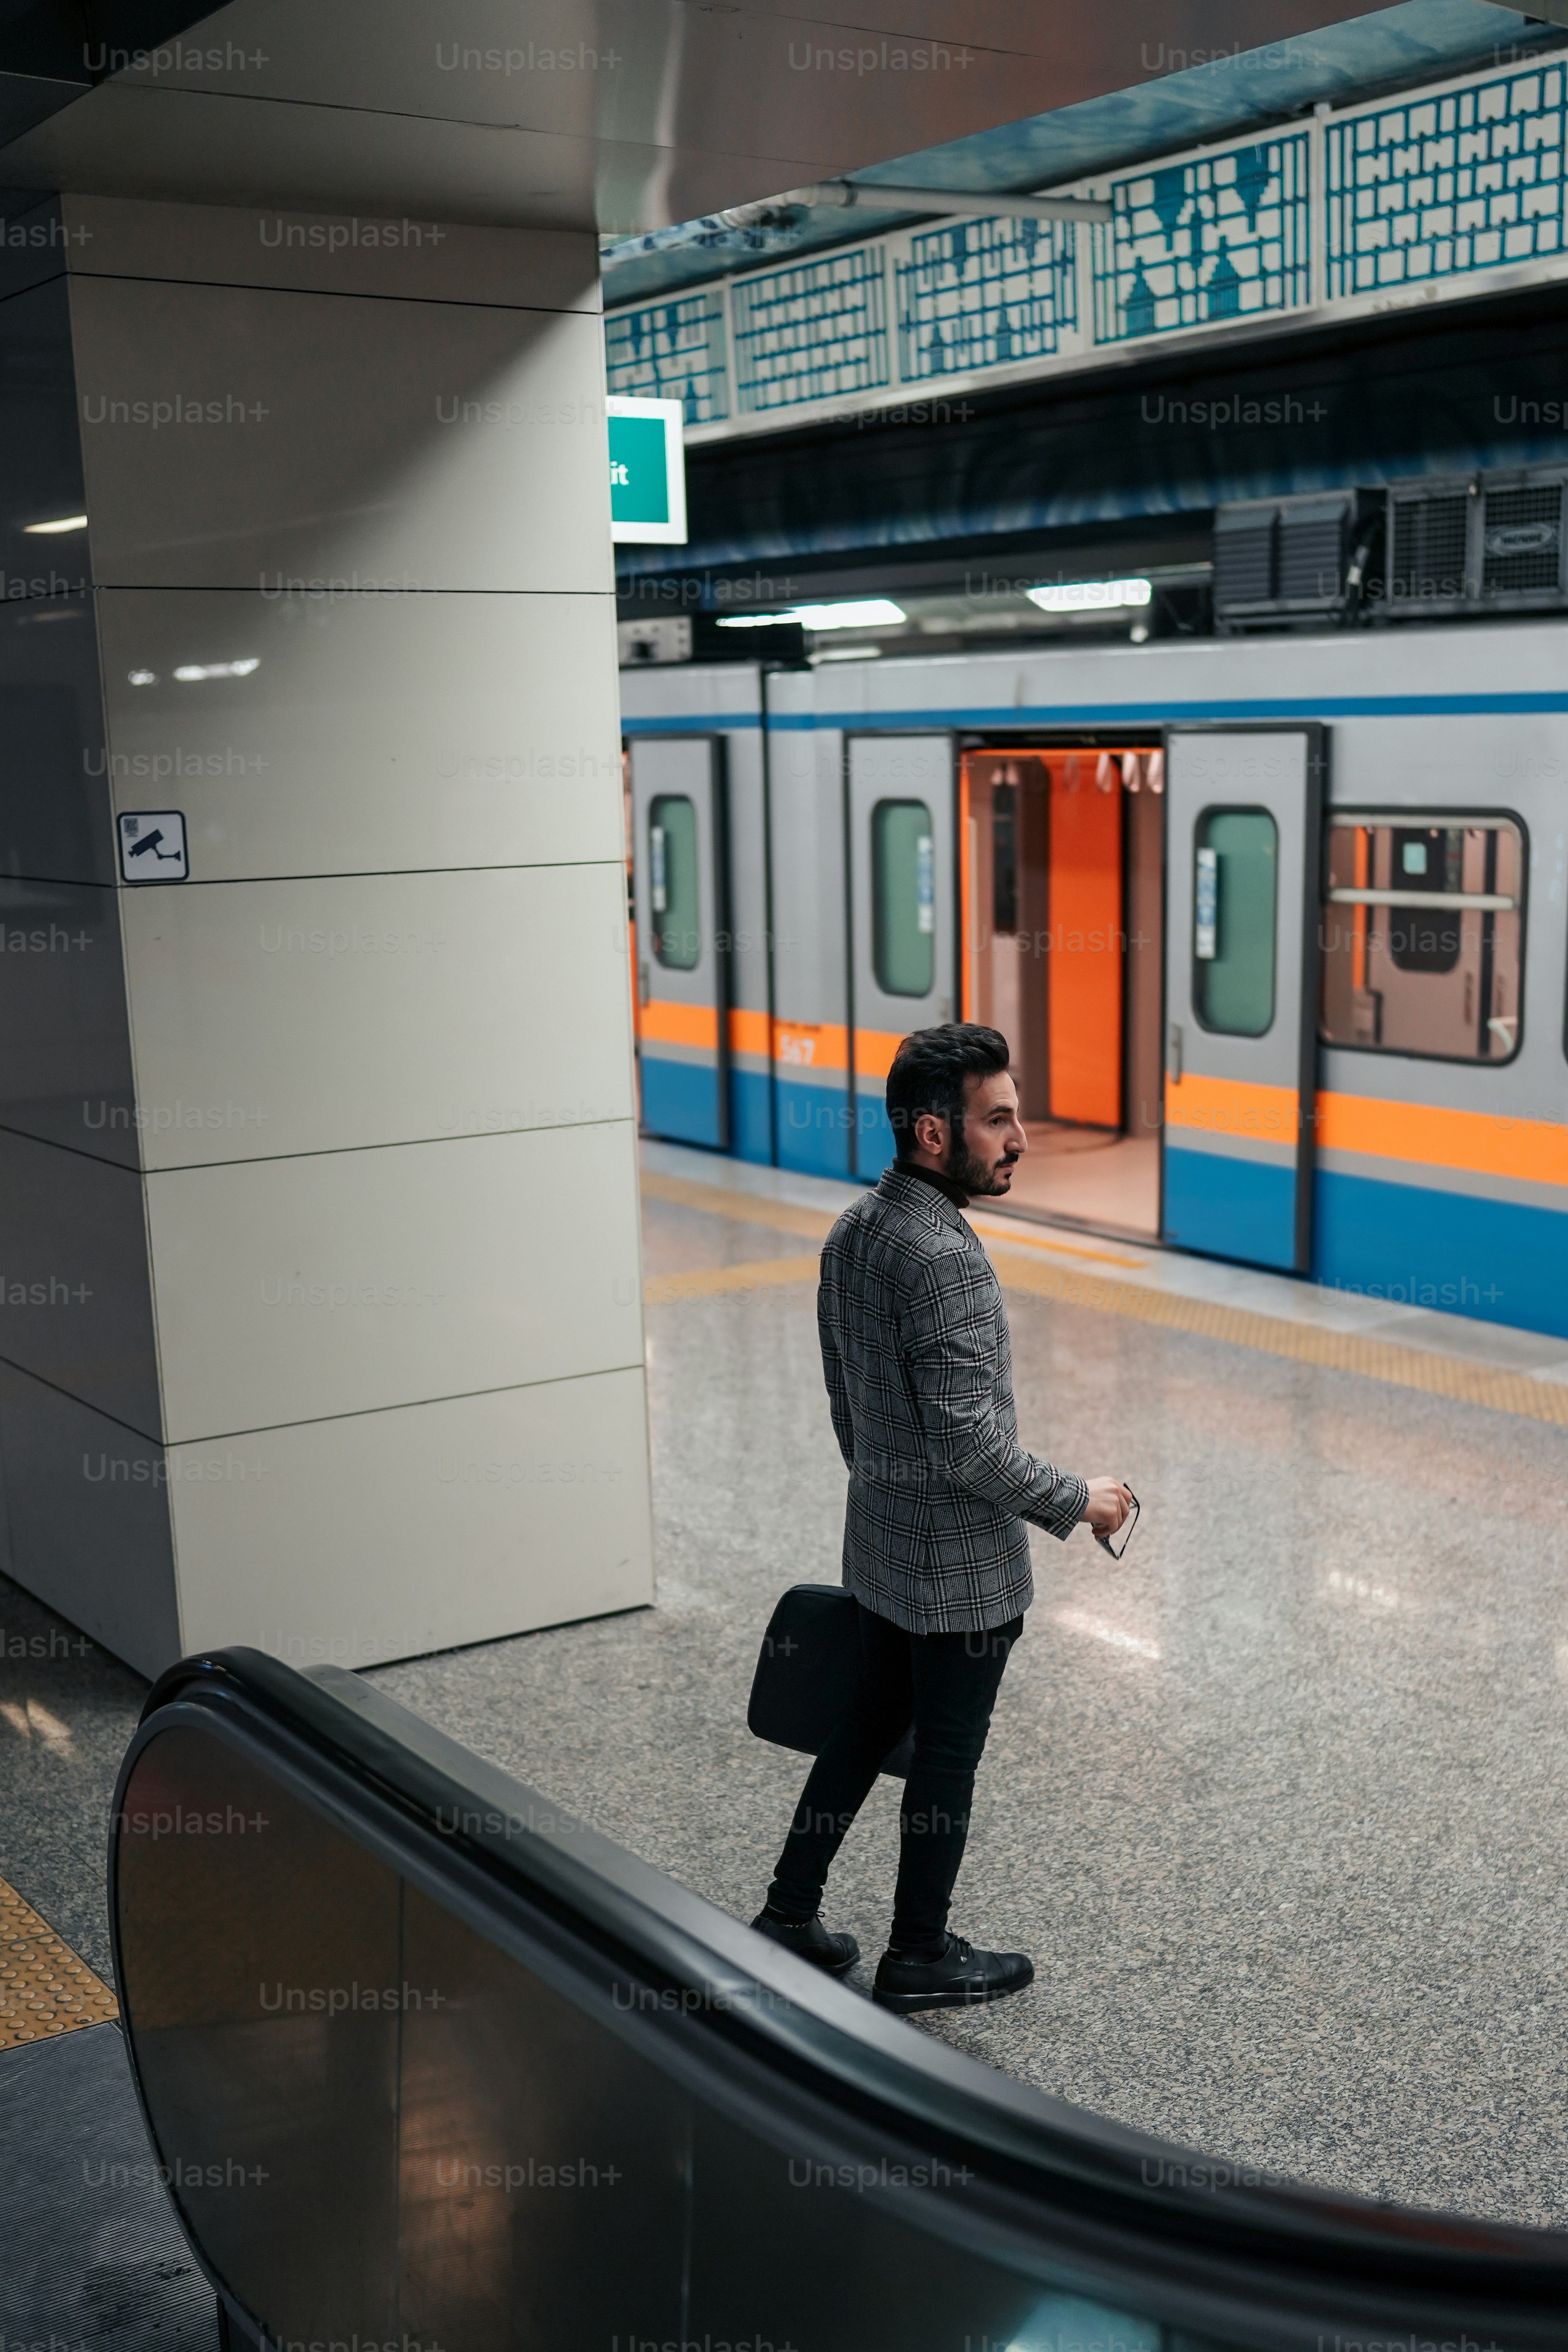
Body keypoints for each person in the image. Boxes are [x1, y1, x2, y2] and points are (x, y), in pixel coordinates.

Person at [751, 1023, 1133, 2014]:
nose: (1017, 1139)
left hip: (880, 1546)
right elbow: (972, 1448)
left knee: (863, 1726)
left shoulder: (856, 1229)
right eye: (996, 1119)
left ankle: (789, 1913)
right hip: (958, 1574)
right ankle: (917, 1952)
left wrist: (885, 1493)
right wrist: (1080, 1500)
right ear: (931, 1132)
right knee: (944, 1767)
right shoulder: (944, 1258)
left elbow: (846, 1402)